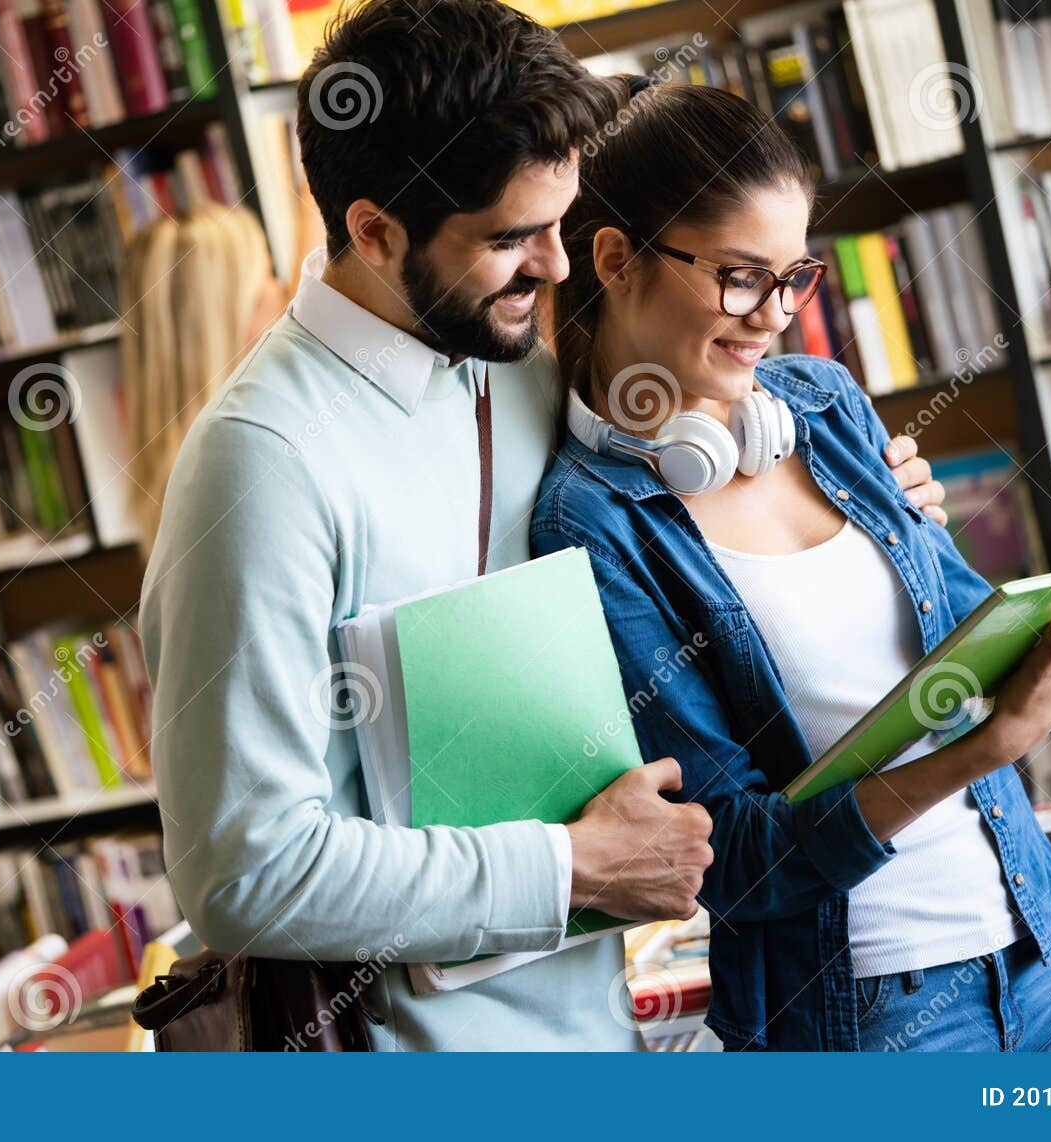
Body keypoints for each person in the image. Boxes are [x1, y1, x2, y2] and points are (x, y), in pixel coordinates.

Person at [139, 0, 946, 1051]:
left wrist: (871, 508)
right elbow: (245, 872)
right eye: (510, 238)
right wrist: (572, 867)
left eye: (559, 224)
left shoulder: (515, 362)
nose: (558, 267)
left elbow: (685, 523)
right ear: (374, 232)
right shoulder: (262, 463)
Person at [532, 80, 1051, 1052]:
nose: (771, 316)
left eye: (793, 277)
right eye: (739, 276)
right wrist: (977, 752)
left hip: (1042, 948)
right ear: (614, 259)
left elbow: (981, 646)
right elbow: (737, 862)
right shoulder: (591, 521)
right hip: (868, 1017)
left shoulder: (823, 404)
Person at [119, 204, 286, 556]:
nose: (282, 293)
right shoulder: (244, 469)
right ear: (223, 319)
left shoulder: (185, 482)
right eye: (268, 275)